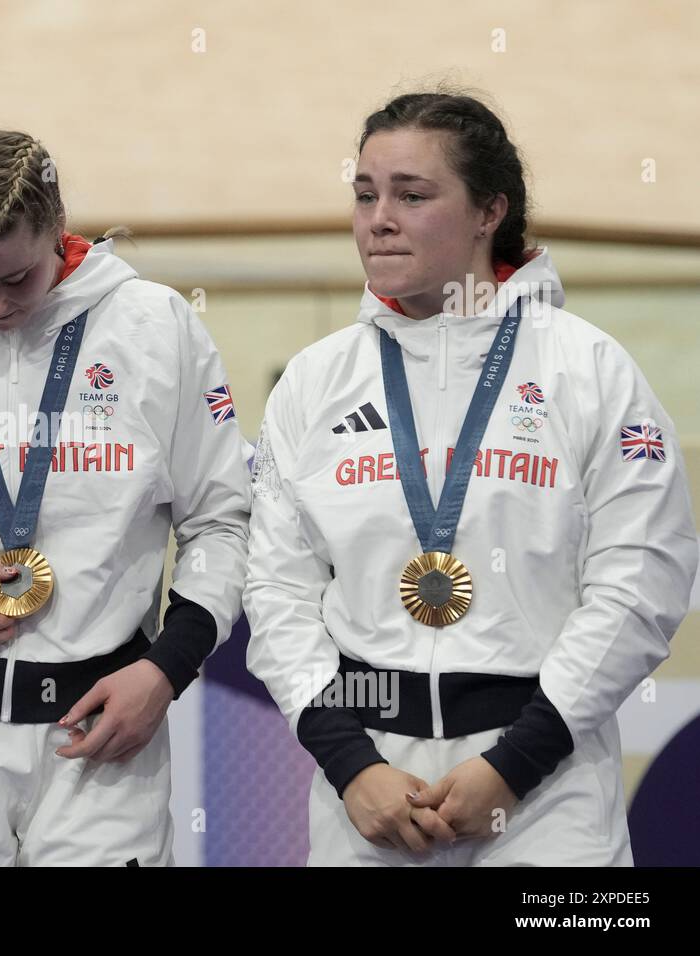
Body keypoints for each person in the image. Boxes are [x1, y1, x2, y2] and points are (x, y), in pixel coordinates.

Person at [244, 91, 698, 866]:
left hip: (543, 789)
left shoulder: (587, 369)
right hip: (367, 791)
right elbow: (278, 593)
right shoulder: (316, 383)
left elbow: (641, 581)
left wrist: (513, 766)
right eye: (364, 195)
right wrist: (352, 766)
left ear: (490, 211)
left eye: (411, 196)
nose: (378, 218)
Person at [0, 127, 250, 866]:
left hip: (101, 740)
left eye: (16, 278)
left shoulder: (155, 329)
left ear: (57, 226)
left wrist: (167, 670)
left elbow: (221, 521)